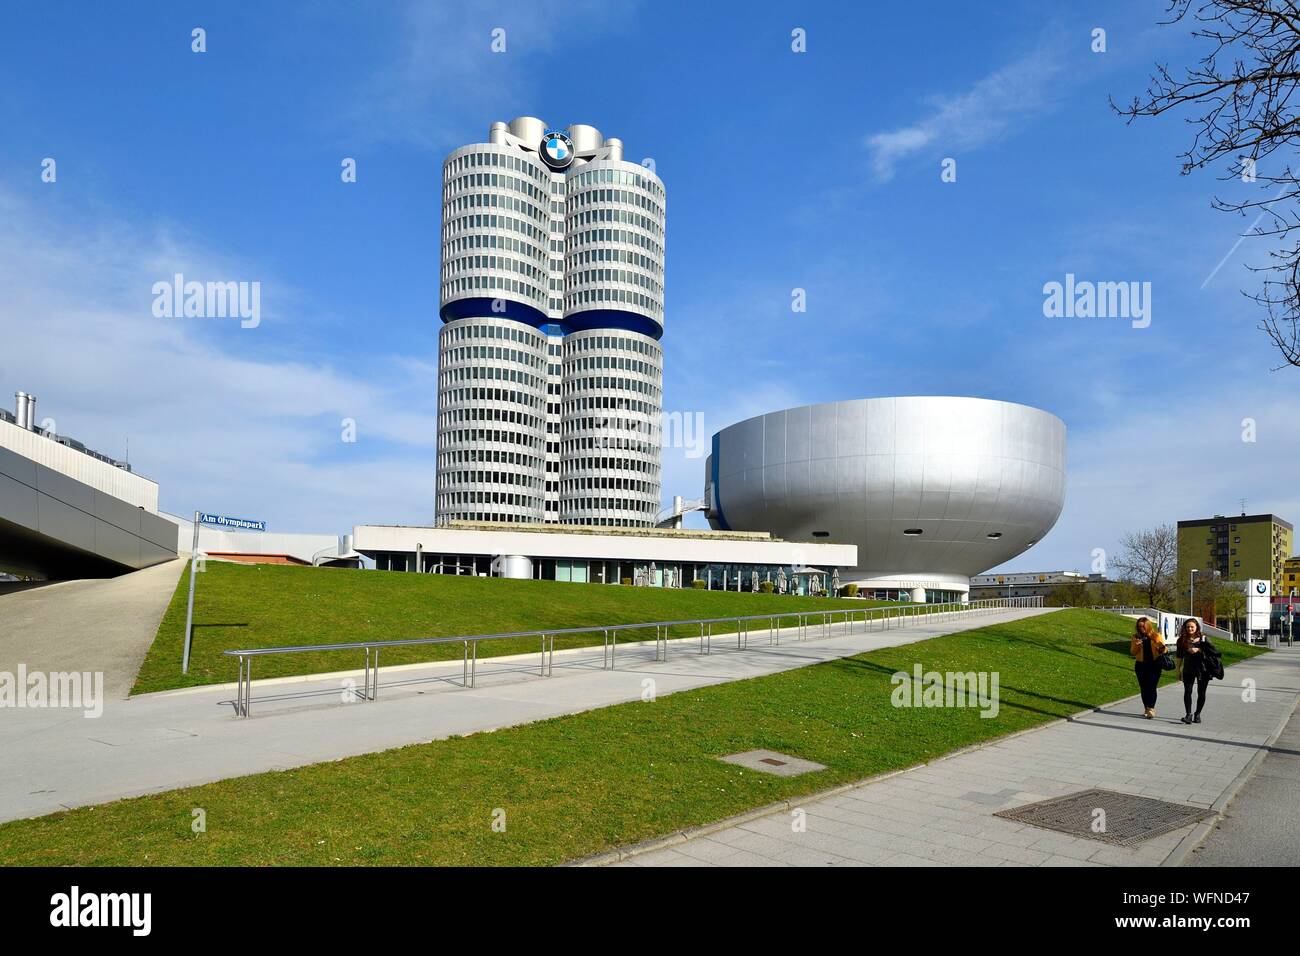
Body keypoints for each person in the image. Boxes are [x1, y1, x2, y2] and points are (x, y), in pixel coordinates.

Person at [1175, 618, 1215, 724]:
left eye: (1192, 626)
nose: (1190, 628)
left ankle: (1197, 714)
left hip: (1203, 669)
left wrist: (1199, 649)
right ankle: (1188, 715)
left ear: (1197, 627)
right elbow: (1179, 657)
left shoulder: (1204, 639)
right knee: (1187, 691)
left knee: (1201, 693)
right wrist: (1178, 670)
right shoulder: (1181, 640)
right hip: (1188, 669)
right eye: (1188, 626)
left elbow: (1213, 652)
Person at [1130, 616, 1166, 718]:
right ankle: (1146, 707)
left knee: (1152, 687)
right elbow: (1133, 652)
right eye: (1139, 626)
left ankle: (1151, 708)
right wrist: (1137, 645)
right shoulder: (1135, 637)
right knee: (1144, 688)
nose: (1141, 628)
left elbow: (1164, 650)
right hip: (1141, 665)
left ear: (1148, 626)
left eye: (1143, 626)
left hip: (1154, 665)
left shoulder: (1156, 635)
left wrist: (1161, 647)